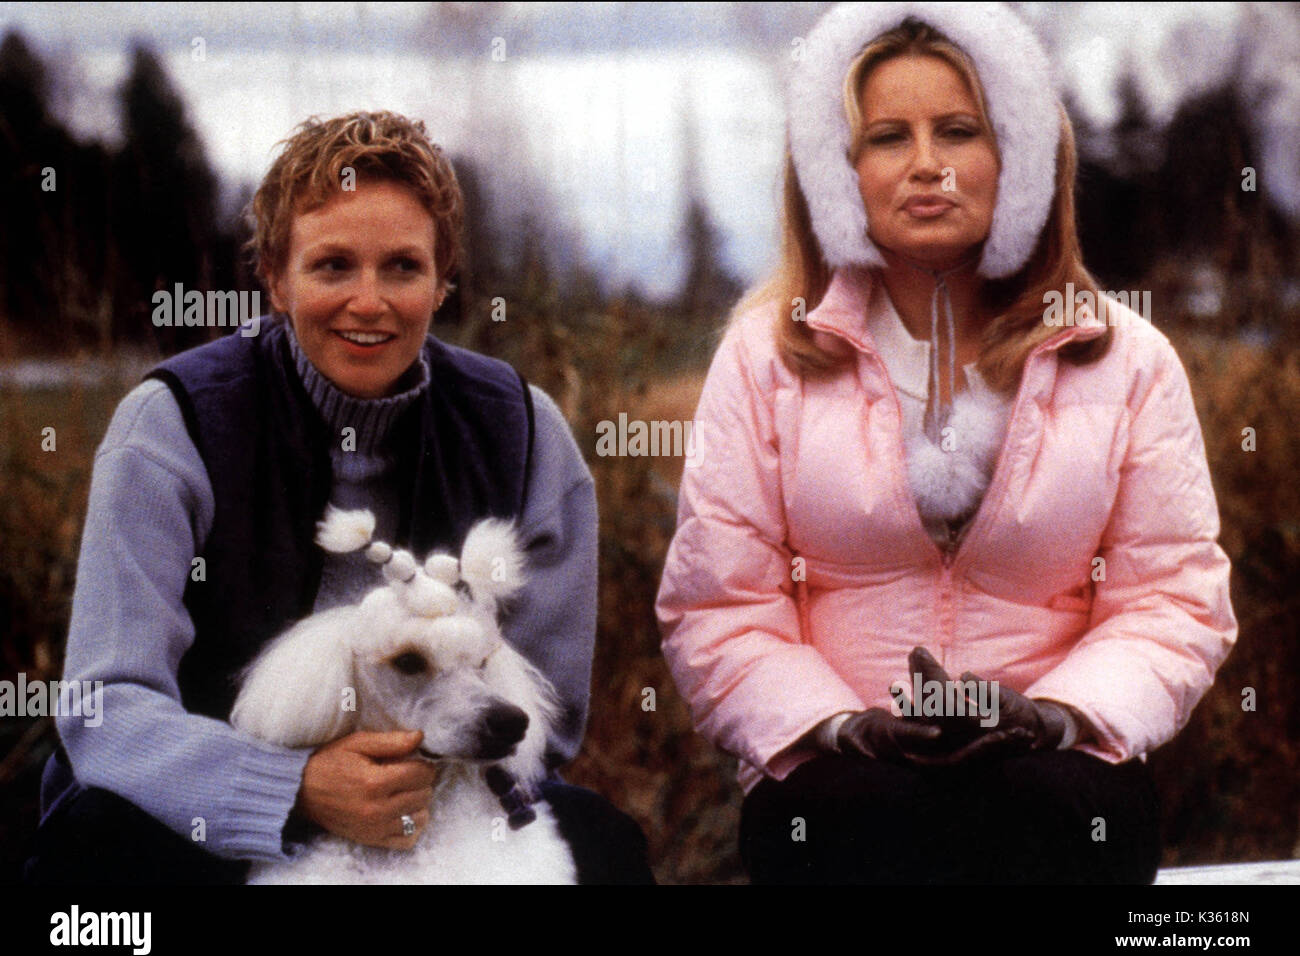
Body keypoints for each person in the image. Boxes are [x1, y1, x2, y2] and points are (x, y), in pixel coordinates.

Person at [656, 3, 1237, 884]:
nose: (927, 164)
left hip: (1061, 777)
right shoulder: (766, 358)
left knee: (1052, 812)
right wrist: (844, 727)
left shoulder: (1127, 360)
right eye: (888, 136)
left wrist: (1054, 716)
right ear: (835, 171)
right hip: (839, 782)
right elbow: (719, 606)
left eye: (959, 131)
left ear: (1023, 158)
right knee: (855, 815)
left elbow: (1175, 599)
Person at [28, 110, 651, 884]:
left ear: (442, 279)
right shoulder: (169, 425)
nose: (369, 301)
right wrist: (293, 788)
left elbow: (547, 722)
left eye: (401, 267)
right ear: (275, 280)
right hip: (198, 812)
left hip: (442, 800)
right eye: (331, 266)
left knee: (607, 848)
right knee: (92, 855)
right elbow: (105, 707)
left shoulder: (522, 429)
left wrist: (412, 788)